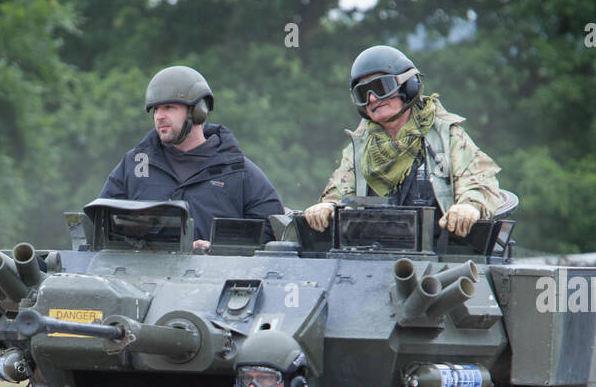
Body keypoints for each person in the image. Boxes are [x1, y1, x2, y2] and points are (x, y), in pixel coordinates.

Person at [303, 45, 500, 238]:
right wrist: (327, 206)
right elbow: (340, 190)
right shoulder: (361, 145)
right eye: (364, 93)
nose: (372, 99)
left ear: (408, 85)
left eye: (380, 87)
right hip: (373, 251)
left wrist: (468, 206)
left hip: (440, 254)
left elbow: (479, 182)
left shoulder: (445, 136)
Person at [100, 65, 284, 250]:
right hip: (143, 276)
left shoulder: (238, 171)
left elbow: (271, 236)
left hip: (216, 277)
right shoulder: (136, 166)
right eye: (155, 109)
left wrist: (219, 249)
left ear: (198, 111)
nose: (159, 116)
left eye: (168, 107)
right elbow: (100, 229)